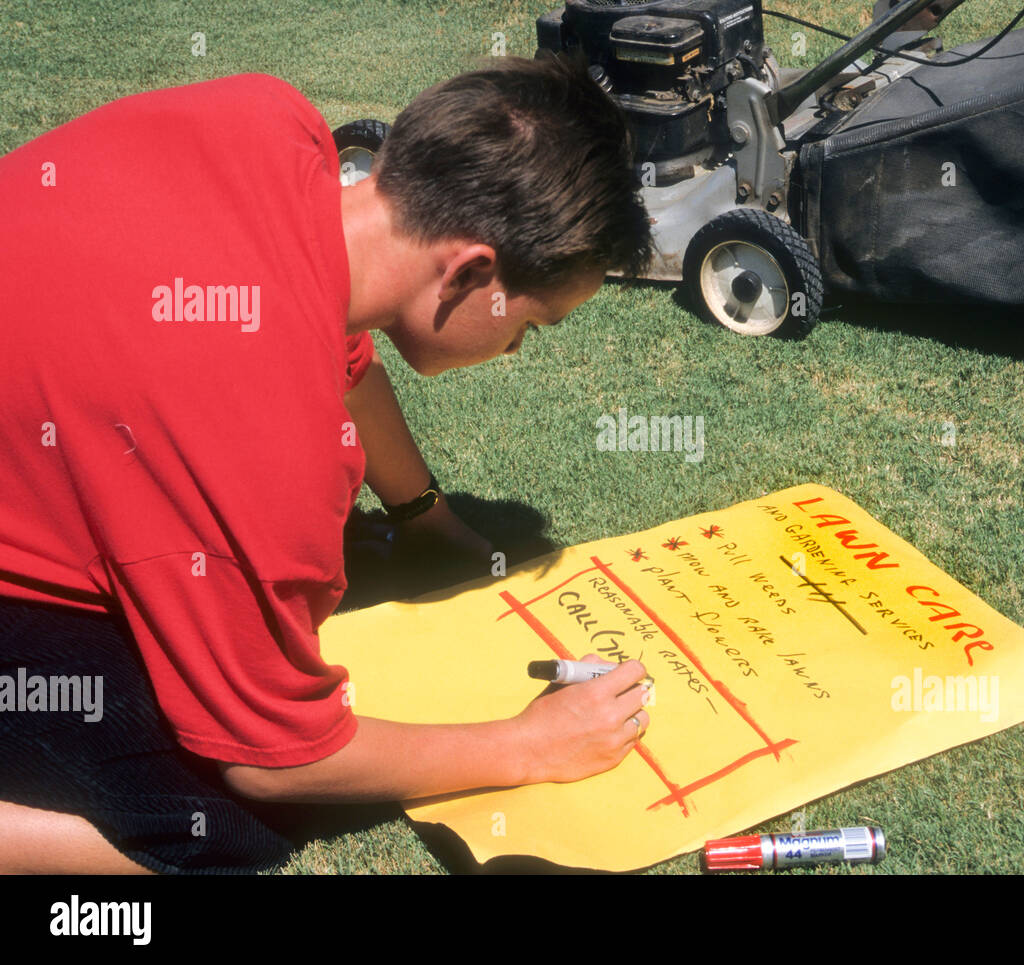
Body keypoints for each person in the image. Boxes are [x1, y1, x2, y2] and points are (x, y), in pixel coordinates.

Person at [0, 54, 655, 873]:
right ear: (472, 273)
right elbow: (273, 754)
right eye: (532, 324)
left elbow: (339, 350)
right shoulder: (268, 444)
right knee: (217, 831)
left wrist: (427, 518)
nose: (518, 348)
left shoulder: (268, 122)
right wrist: (529, 744)